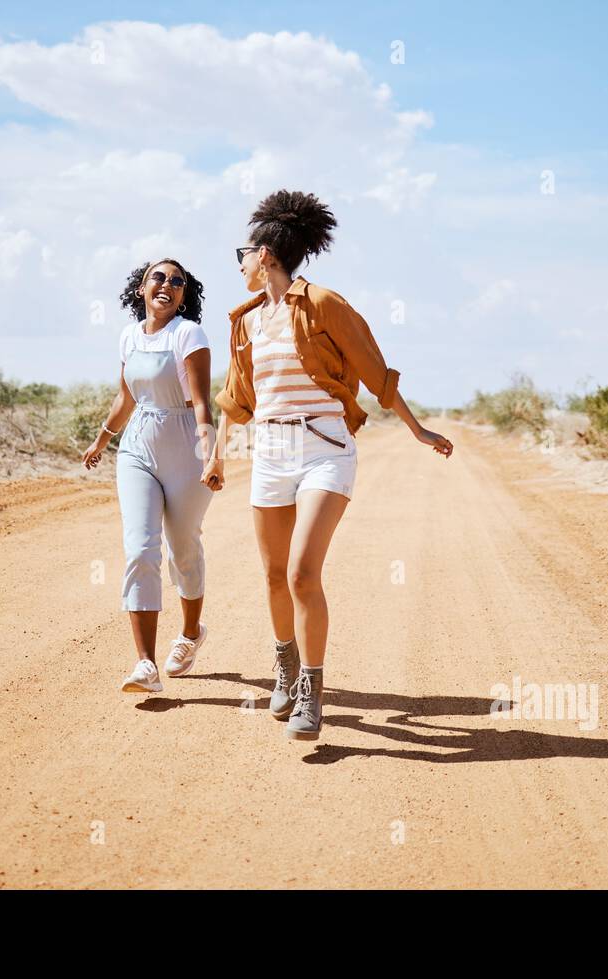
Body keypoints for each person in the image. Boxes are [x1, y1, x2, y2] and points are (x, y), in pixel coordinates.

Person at [202, 191, 453, 740]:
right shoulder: (244, 321)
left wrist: (416, 429)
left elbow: (374, 367)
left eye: (242, 254)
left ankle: (312, 692)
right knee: (272, 576)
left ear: (265, 253)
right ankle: (286, 668)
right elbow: (235, 397)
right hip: (269, 453)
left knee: (300, 573)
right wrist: (218, 453)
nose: (239, 264)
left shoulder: (324, 304)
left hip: (324, 450)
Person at [83, 259, 219, 694]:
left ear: (184, 295)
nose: (167, 285)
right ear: (141, 288)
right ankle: (145, 664)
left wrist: (211, 455)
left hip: (186, 447)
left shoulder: (188, 334)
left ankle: (192, 633)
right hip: (138, 446)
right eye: (158, 278)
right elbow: (126, 397)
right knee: (141, 549)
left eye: (177, 282)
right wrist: (103, 439)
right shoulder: (127, 336)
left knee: (183, 548)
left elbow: (201, 403)